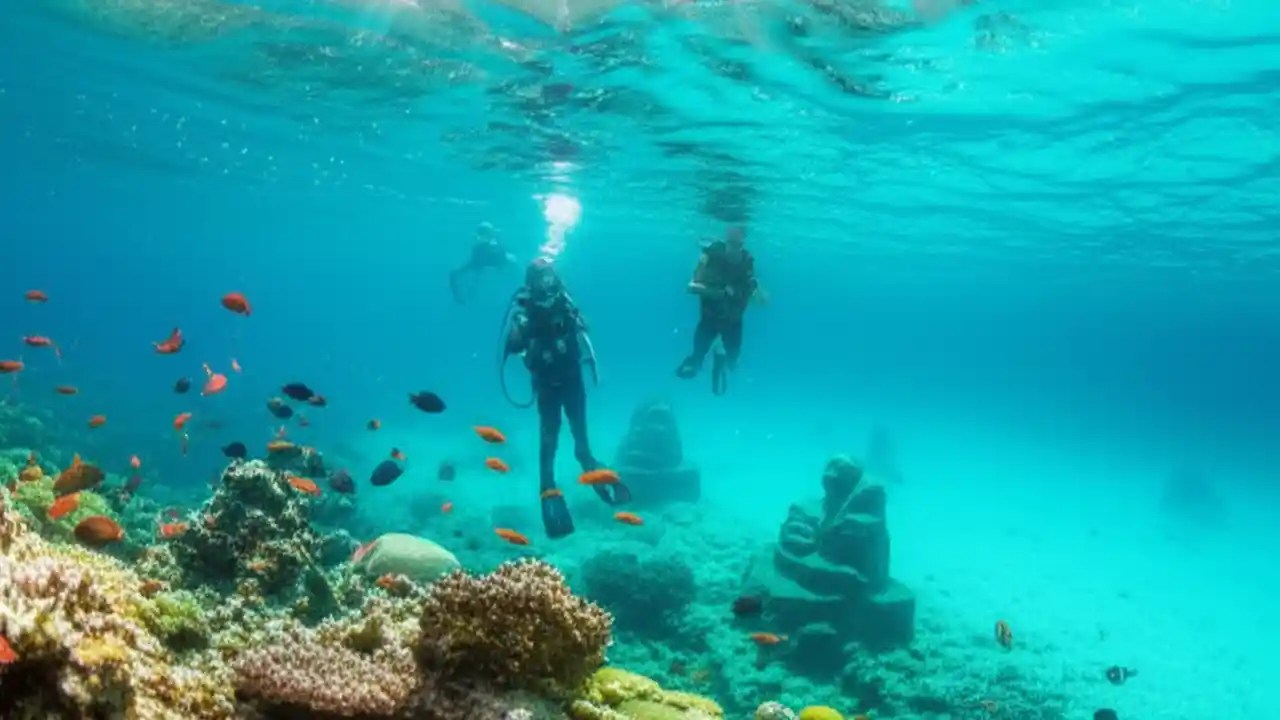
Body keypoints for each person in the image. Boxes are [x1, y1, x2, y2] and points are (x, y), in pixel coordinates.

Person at [503, 258, 631, 538]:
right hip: (548, 387)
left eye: (549, 278)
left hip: (572, 383)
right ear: (531, 283)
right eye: (540, 280)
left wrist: (571, 319)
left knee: (581, 441)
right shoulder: (525, 311)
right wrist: (523, 329)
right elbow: (512, 346)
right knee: (548, 445)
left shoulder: (565, 303)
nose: (546, 285)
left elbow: (584, 330)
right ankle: (547, 488)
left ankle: (591, 469)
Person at [675, 225, 766, 394]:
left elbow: (761, 299)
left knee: (733, 363)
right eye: (730, 242)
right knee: (696, 359)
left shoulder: (747, 262)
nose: (733, 248)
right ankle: (711, 356)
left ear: (743, 241)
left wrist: (755, 290)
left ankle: (721, 356)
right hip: (709, 320)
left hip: (734, 322)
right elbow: (691, 287)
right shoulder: (710, 256)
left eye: (737, 244)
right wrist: (720, 292)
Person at [449, 222, 516, 304]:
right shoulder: (480, 247)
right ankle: (461, 297)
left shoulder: (498, 247)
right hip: (480, 262)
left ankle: (464, 296)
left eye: (487, 234)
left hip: (492, 262)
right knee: (456, 273)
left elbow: (508, 258)